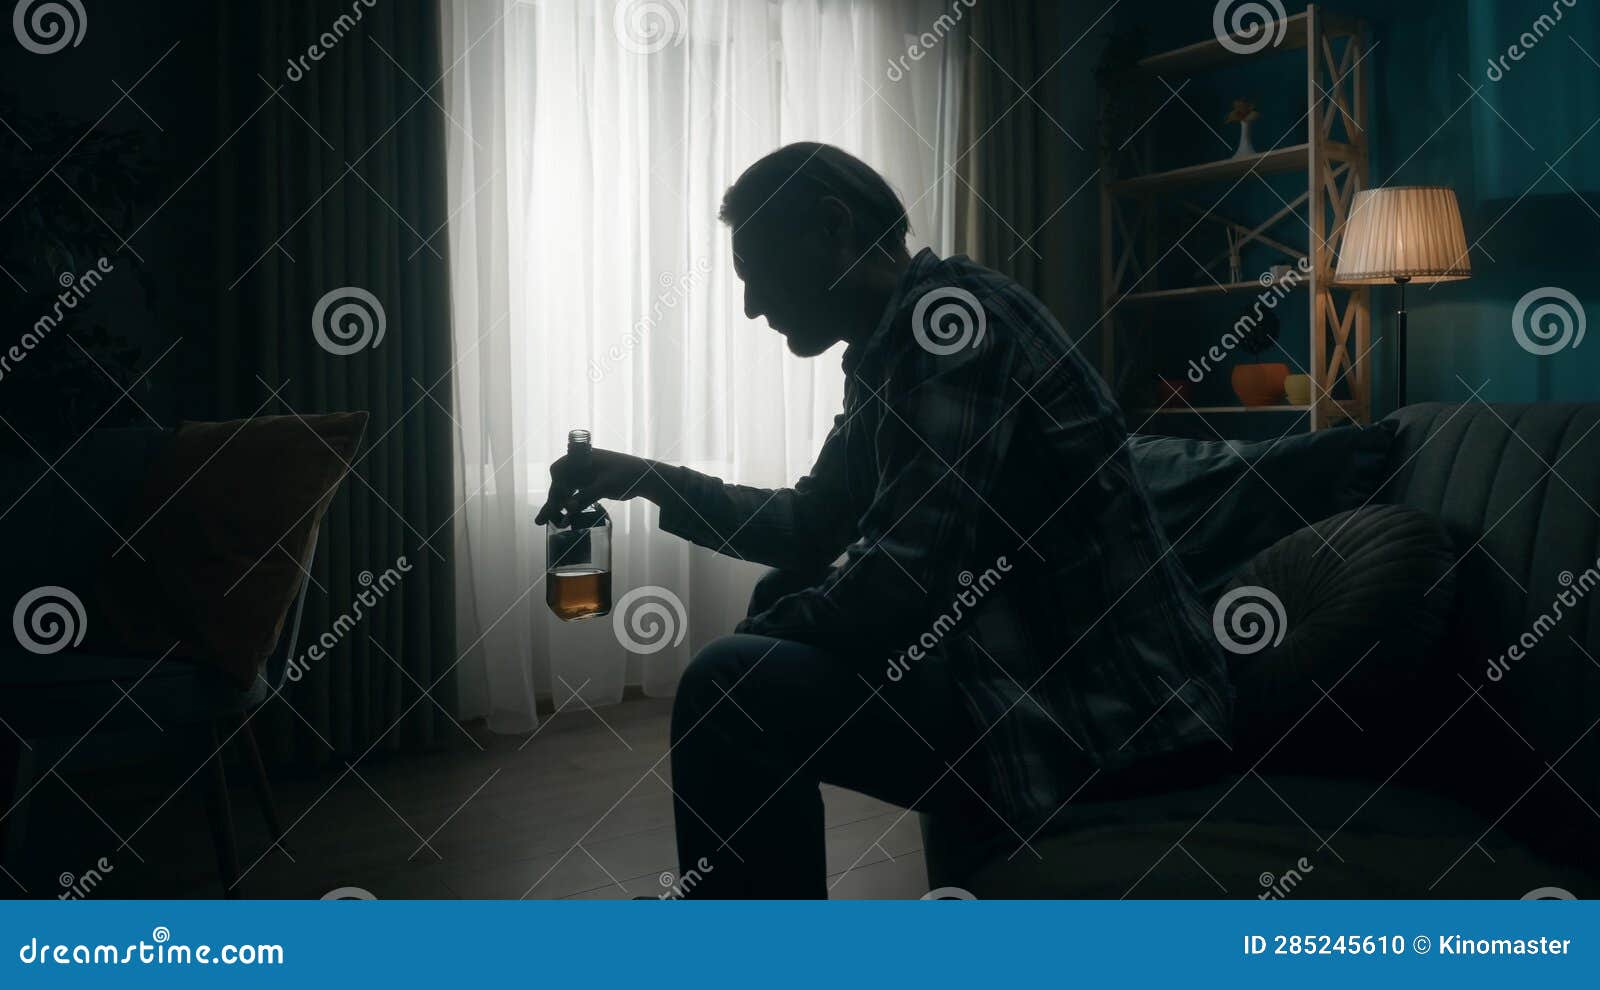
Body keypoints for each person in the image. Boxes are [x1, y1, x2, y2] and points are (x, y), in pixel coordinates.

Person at [534, 142, 1232, 898]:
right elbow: (810, 524)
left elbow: (906, 578)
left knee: (731, 687)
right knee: (772, 612)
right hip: (1024, 674)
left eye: (759, 273)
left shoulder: (958, 327)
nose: (753, 307)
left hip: (1106, 711)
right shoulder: (890, 348)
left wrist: (763, 634)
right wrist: (644, 478)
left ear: (834, 228)